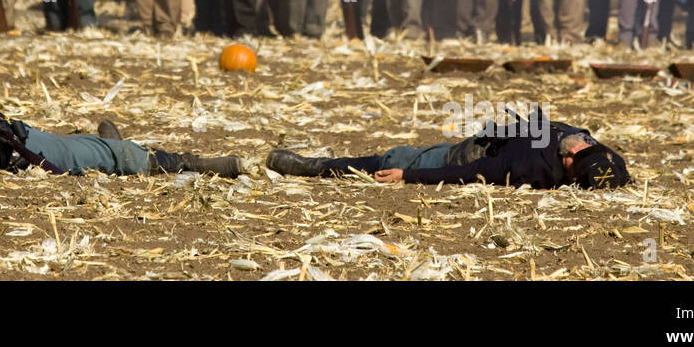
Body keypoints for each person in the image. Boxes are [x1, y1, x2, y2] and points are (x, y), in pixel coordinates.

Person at [266, 115, 629, 189]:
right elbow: (614, 167)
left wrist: (406, 176)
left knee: (392, 158)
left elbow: (468, 174)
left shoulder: (528, 167)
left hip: (464, 157)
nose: (579, 145)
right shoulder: (603, 158)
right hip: (490, 137)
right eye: (585, 146)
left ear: (568, 167)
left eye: (576, 154)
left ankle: (313, 167)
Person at [0, 109, 242, 178]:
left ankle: (188, 161)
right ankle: (108, 144)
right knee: (102, 153)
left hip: (29, 144)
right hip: (27, 147)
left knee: (119, 157)